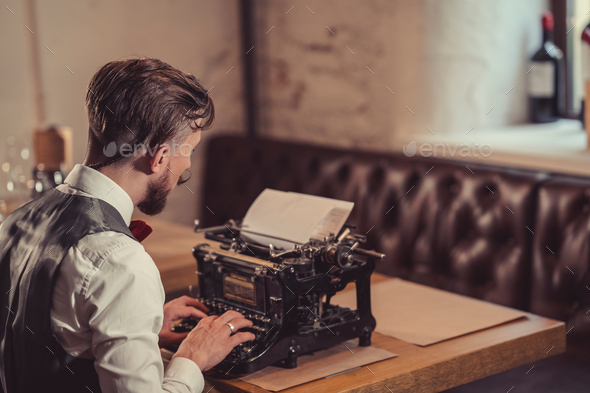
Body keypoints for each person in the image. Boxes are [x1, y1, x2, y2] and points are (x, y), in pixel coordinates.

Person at [0, 58, 255, 393]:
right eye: (188, 151)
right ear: (160, 157)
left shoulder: (14, 221)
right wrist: (192, 359)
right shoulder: (121, 262)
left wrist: (133, 323)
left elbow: (34, 329)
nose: (187, 165)